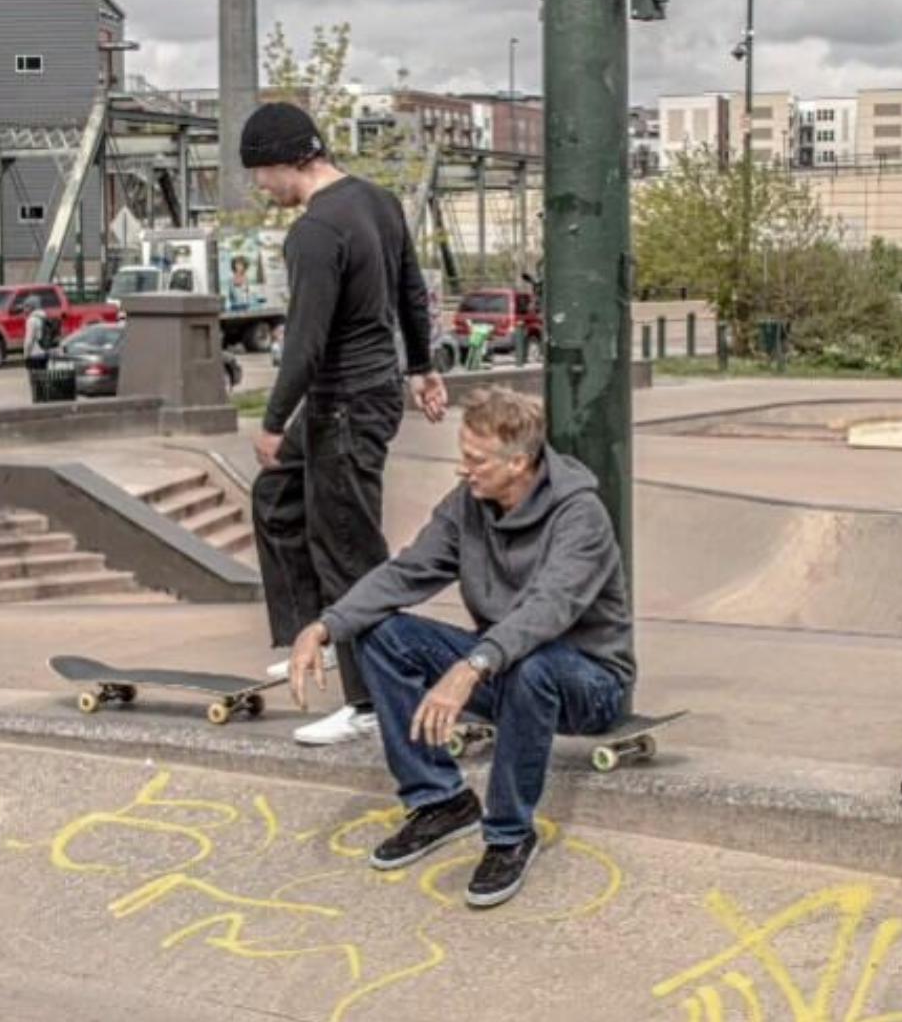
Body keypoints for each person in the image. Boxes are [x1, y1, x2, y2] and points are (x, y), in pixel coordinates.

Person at [285, 388, 635, 908]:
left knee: (532, 663)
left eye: (475, 459)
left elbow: (546, 611)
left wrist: (472, 665)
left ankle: (510, 835)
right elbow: (407, 572)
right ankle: (440, 801)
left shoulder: (580, 516)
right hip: (501, 668)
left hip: (589, 683)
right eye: (462, 455)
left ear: (518, 463)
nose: (462, 469)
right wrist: (325, 626)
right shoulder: (468, 505)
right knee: (382, 634)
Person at [241, 100, 451, 746]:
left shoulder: (314, 232)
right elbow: (411, 291)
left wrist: (273, 421)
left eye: (260, 173)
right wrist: (422, 367)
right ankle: (321, 638)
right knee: (276, 499)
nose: (260, 186)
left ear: (287, 161)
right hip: (367, 393)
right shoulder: (378, 202)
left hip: (343, 404)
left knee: (347, 548)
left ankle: (370, 701)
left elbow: (304, 342)